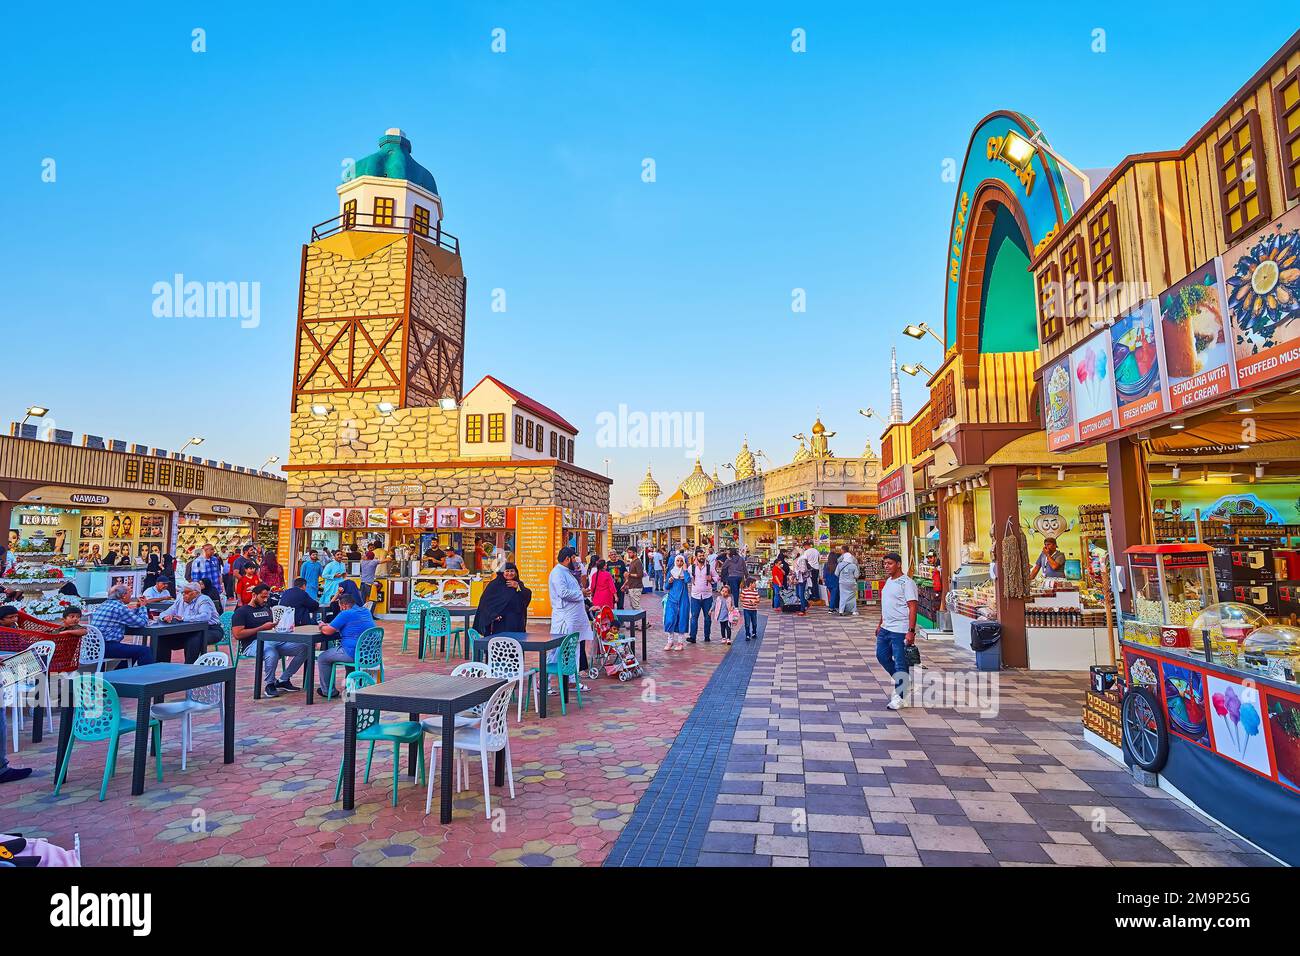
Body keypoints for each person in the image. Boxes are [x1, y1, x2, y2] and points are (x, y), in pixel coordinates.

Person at [233, 584, 306, 698]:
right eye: (263, 597)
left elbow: (271, 628)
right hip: (251, 644)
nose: (265, 600)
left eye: (267, 597)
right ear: (254, 595)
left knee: (303, 647)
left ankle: (283, 679)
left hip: (272, 640)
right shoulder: (242, 611)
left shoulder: (266, 609)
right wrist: (261, 628)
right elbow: (237, 634)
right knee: (271, 652)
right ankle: (270, 684)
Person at [547, 547, 593, 693]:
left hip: (573, 618)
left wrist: (583, 595)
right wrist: (581, 593)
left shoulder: (566, 572)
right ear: (567, 559)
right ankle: (544, 682)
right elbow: (563, 593)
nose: (576, 560)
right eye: (574, 558)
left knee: (573, 649)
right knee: (556, 650)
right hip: (564, 619)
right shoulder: (557, 573)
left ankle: (572, 680)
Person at [877, 551, 919, 711]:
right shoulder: (888, 581)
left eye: (890, 563)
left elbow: (913, 607)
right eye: (885, 564)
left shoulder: (906, 583)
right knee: (881, 656)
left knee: (901, 662)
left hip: (900, 629)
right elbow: (886, 604)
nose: (886, 566)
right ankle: (905, 682)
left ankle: (900, 697)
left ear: (899, 564)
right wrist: (880, 623)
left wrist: (911, 630)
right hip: (886, 628)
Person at [316, 590, 375, 697]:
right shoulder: (366, 611)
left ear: (344, 605)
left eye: (340, 606)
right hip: (370, 654)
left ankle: (327, 691)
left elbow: (328, 631)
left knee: (323, 658)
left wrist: (321, 626)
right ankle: (350, 687)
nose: (339, 609)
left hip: (353, 653)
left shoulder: (346, 613)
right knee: (349, 656)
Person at [89, 585, 154, 666]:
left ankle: (118, 673)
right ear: (123, 595)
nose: (131, 596)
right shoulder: (119, 607)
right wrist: (143, 607)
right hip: (106, 646)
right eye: (130, 593)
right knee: (144, 651)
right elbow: (142, 623)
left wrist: (138, 608)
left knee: (134, 651)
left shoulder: (104, 604)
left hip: (92, 647)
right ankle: (148, 677)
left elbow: (128, 614)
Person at [158, 580, 222, 662]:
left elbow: (205, 616)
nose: (184, 594)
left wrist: (183, 618)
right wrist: (165, 617)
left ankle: (190, 667)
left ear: (196, 593)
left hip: (211, 629)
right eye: (183, 592)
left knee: (193, 639)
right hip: (187, 630)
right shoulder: (180, 600)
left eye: (187, 592)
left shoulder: (204, 600)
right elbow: (165, 613)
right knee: (162, 637)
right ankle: (162, 666)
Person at [473, 563, 532, 636]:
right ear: (502, 572)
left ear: (516, 572)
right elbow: (485, 603)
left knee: (517, 642)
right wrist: (493, 615)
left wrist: (518, 587)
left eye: (512, 571)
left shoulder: (518, 583)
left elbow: (527, 595)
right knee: (502, 643)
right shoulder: (494, 585)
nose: (510, 573)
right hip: (501, 622)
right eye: (507, 571)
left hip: (516, 620)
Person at [686, 550, 716, 644]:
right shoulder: (691, 568)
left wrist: (711, 579)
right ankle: (692, 637)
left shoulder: (709, 567)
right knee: (694, 617)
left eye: (703, 555)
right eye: (699, 556)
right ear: (696, 557)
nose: (701, 557)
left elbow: (717, 577)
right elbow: (687, 577)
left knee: (707, 617)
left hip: (707, 596)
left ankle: (707, 636)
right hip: (695, 596)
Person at [190, 543, 226, 612]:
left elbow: (218, 573)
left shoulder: (215, 560)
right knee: (206, 609)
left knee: (217, 609)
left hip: (216, 590)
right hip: (205, 591)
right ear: (205, 550)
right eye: (211, 549)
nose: (213, 551)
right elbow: (195, 579)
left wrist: (221, 586)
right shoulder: (198, 561)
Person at [837, 546, 860, 615]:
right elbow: (856, 575)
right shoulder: (853, 565)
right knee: (852, 597)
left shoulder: (840, 564)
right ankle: (853, 610)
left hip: (842, 583)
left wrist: (842, 576)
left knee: (842, 596)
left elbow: (836, 573)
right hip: (851, 583)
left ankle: (841, 610)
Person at [739, 576, 761, 640]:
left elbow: (758, 600)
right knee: (747, 623)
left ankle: (754, 632)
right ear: (750, 584)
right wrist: (748, 601)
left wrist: (754, 601)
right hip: (746, 609)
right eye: (754, 583)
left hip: (754, 610)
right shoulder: (744, 591)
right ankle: (747, 634)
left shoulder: (755, 592)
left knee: (754, 623)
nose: (755, 584)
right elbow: (741, 599)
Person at [623, 548, 644, 613]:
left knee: (636, 605)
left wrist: (629, 574)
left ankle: (645, 621)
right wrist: (625, 584)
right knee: (633, 605)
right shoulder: (632, 561)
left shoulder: (637, 562)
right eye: (628, 552)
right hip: (632, 586)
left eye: (630, 552)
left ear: (635, 553)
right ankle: (637, 620)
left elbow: (640, 575)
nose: (628, 554)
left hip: (636, 586)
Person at [823, 546, 840, 615]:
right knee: (834, 595)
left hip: (828, 582)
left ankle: (834, 607)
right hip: (835, 581)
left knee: (833, 595)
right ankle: (831, 608)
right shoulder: (837, 565)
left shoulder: (826, 564)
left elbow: (824, 575)